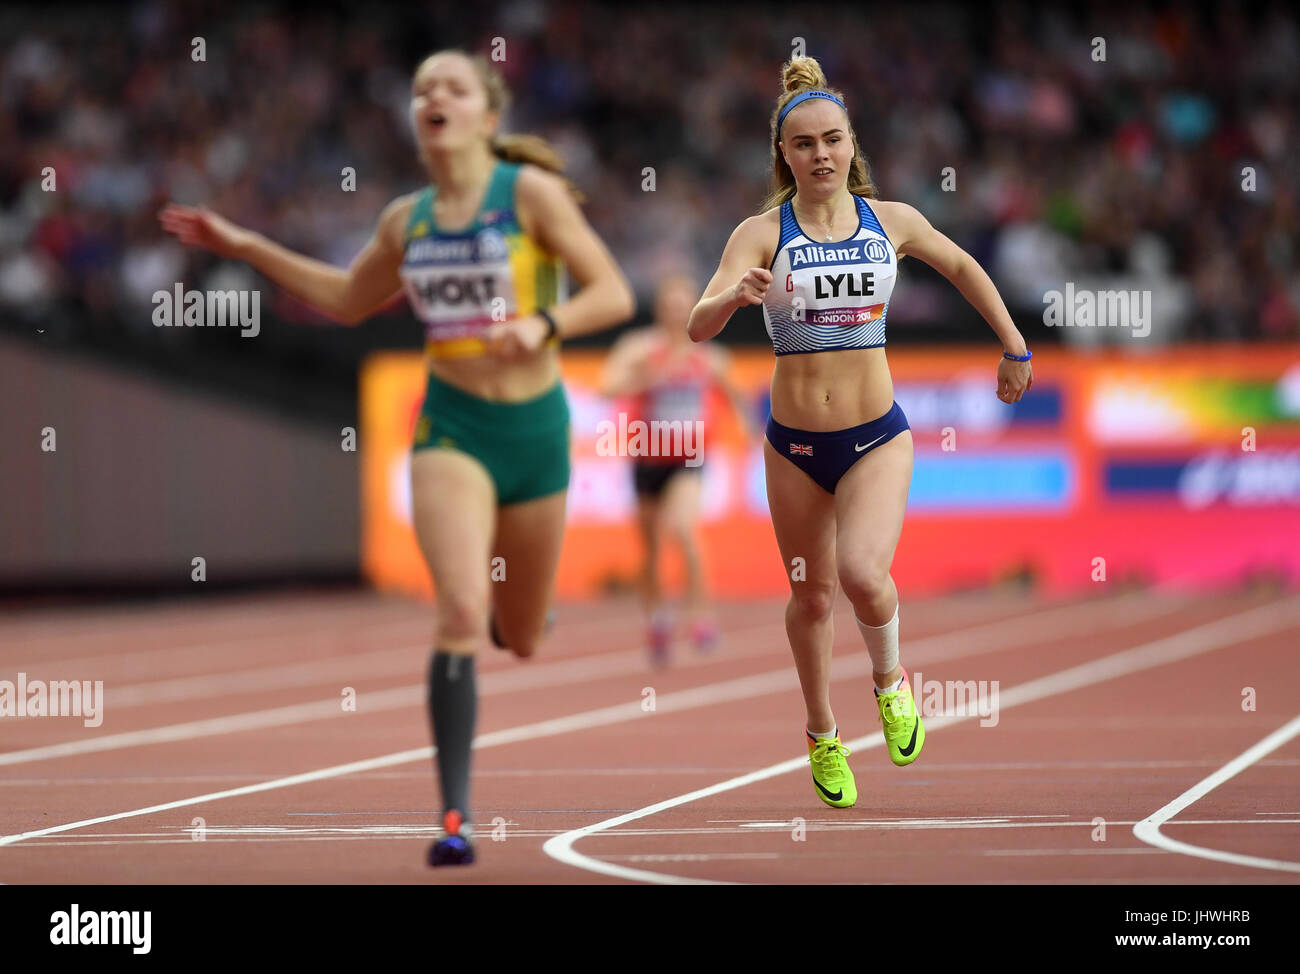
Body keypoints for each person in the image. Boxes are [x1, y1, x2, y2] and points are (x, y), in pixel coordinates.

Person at [159, 49, 634, 863]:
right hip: (451, 428)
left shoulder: (529, 195)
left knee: (521, 636)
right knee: (458, 613)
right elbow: (348, 299)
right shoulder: (406, 221)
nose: (433, 98)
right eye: (421, 90)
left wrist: (543, 325)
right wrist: (247, 246)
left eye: (453, 87)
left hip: (534, 432)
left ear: (488, 115)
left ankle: (518, 608)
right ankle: (455, 819)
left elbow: (613, 293)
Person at [686, 56, 1032, 808]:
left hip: (875, 436)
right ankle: (822, 734)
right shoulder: (760, 233)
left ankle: (890, 680)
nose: (821, 155)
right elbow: (696, 324)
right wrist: (734, 297)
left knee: (864, 576)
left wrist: (1014, 345)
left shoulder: (890, 221)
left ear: (851, 144)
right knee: (811, 598)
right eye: (804, 144)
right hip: (795, 448)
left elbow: (962, 265)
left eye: (833, 140)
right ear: (784, 154)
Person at [601, 273, 757, 665]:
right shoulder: (639, 347)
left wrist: (750, 432)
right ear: (659, 309)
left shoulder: (710, 356)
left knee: (685, 530)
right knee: (650, 547)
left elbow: (737, 396)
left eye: (682, 306)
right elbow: (607, 387)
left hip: (689, 458)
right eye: (670, 306)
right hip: (647, 456)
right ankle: (657, 619)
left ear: (693, 308)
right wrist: (646, 377)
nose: (676, 313)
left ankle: (701, 618)